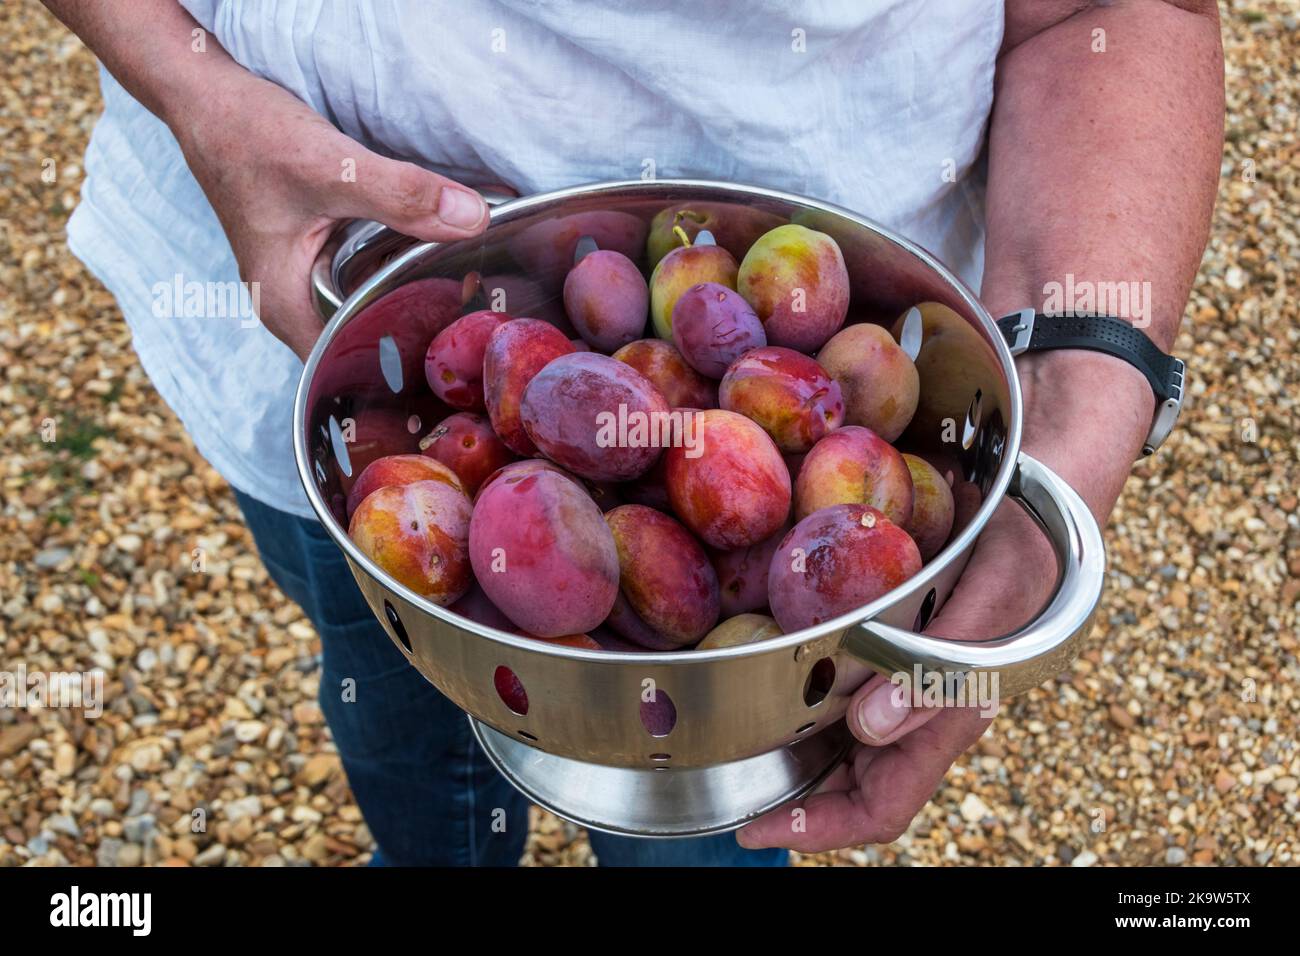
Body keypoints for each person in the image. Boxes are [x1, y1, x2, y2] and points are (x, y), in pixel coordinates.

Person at [45, 0, 1223, 865]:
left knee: (710, 819)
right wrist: (195, 90)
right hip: (310, 342)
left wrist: (1080, 402)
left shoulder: (775, 440)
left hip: (813, 383)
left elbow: (1113, 13)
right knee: (390, 689)